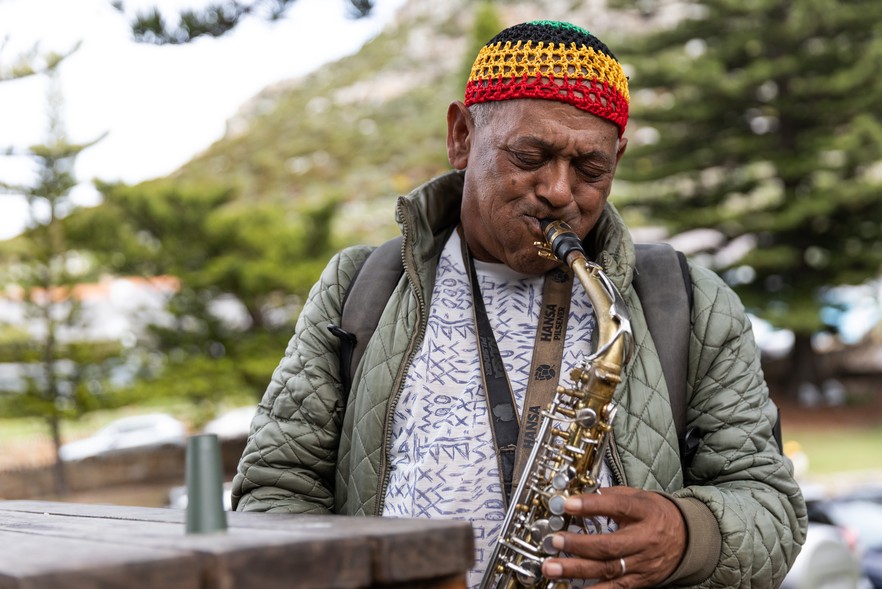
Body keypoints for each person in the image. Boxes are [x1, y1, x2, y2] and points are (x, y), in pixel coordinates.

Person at [232, 20, 807, 588]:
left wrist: (687, 536)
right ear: (461, 137)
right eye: (530, 156)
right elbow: (275, 486)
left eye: (590, 169)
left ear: (618, 160)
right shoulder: (358, 285)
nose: (559, 193)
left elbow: (772, 508)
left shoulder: (692, 302)